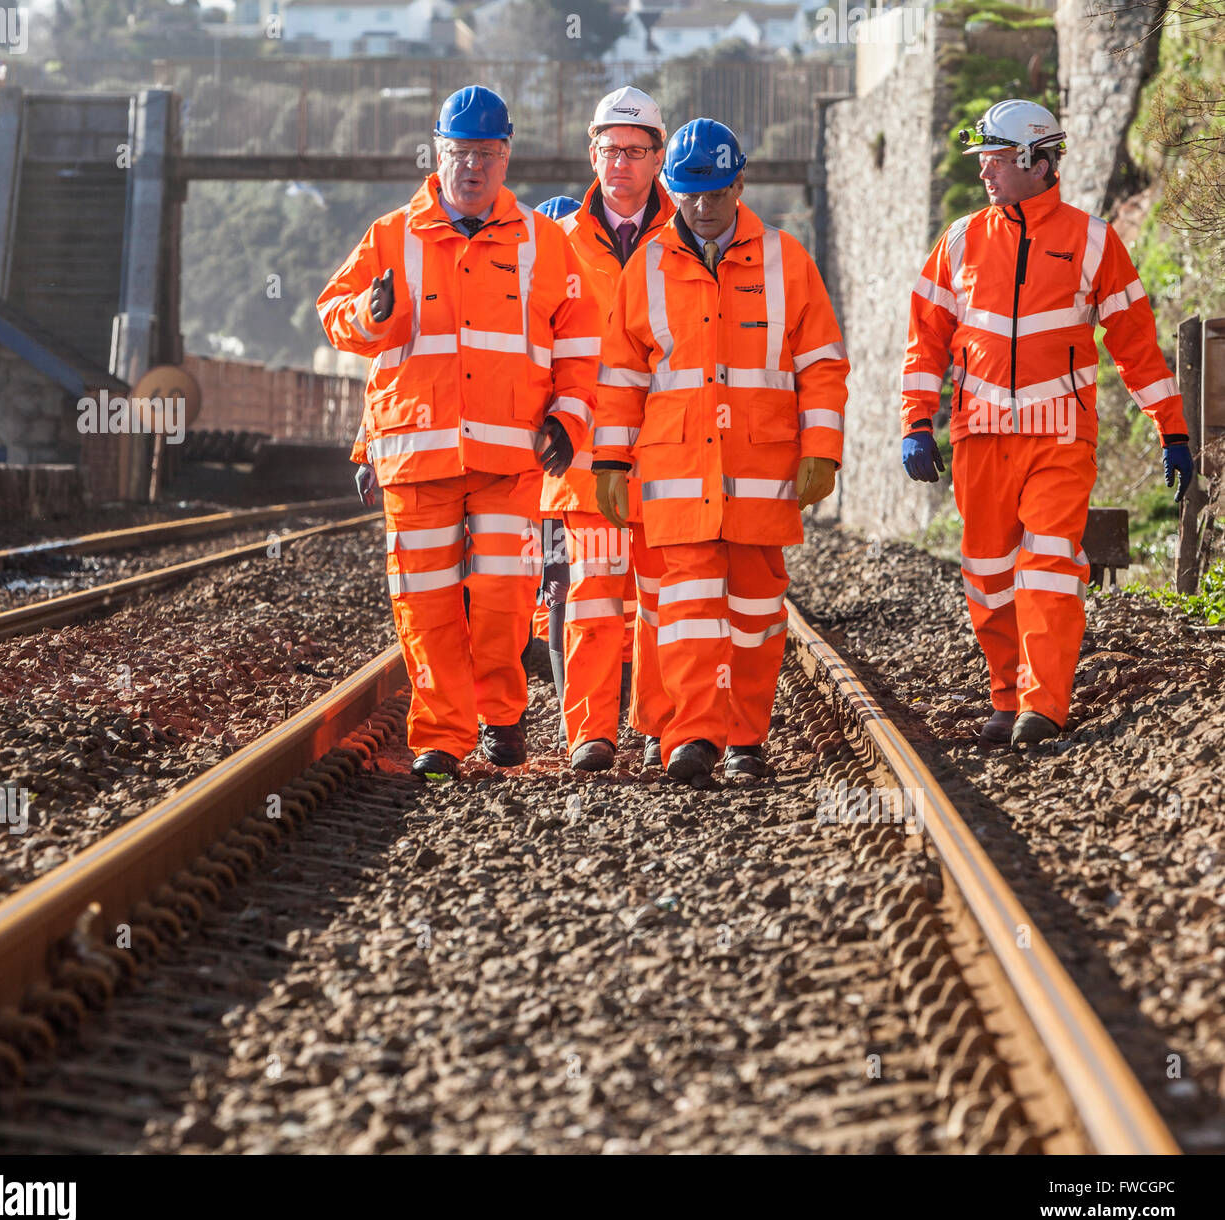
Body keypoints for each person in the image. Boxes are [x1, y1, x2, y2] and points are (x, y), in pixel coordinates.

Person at [318, 85, 600, 780]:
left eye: (486, 154)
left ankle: (502, 714)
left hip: (510, 458)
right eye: (459, 153)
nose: (471, 167)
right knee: (427, 604)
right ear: (437, 154)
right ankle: (441, 737)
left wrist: (568, 418)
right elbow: (338, 318)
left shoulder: (542, 241)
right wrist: (369, 313)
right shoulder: (391, 236)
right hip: (416, 457)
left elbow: (581, 339)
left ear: (506, 158)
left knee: (504, 599)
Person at [901, 99, 1194, 747]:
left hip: (1060, 437)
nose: (985, 172)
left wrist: (1171, 427)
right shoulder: (958, 242)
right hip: (979, 438)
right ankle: (1007, 696)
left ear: (1036, 159)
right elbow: (925, 341)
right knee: (989, 575)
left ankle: (1044, 704)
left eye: (997, 159)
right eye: (983, 160)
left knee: (1049, 565)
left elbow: (1137, 345)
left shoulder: (1092, 242)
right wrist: (916, 421)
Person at [592, 118, 849, 783]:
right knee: (688, 612)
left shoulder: (787, 261)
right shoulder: (646, 266)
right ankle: (694, 736)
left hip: (761, 478)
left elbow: (821, 363)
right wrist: (611, 460)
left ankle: (745, 738)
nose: (702, 209)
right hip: (678, 478)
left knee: (758, 616)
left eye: (714, 194)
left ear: (741, 182)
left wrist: (822, 447)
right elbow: (621, 377)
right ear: (671, 190)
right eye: (688, 195)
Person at [539, 87, 677, 774]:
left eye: (634, 150)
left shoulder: (691, 238)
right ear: (590, 152)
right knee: (591, 595)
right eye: (607, 149)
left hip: (670, 455)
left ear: (659, 156)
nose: (618, 163)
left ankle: (658, 726)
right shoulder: (554, 244)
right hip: (587, 458)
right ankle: (590, 733)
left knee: (663, 600)